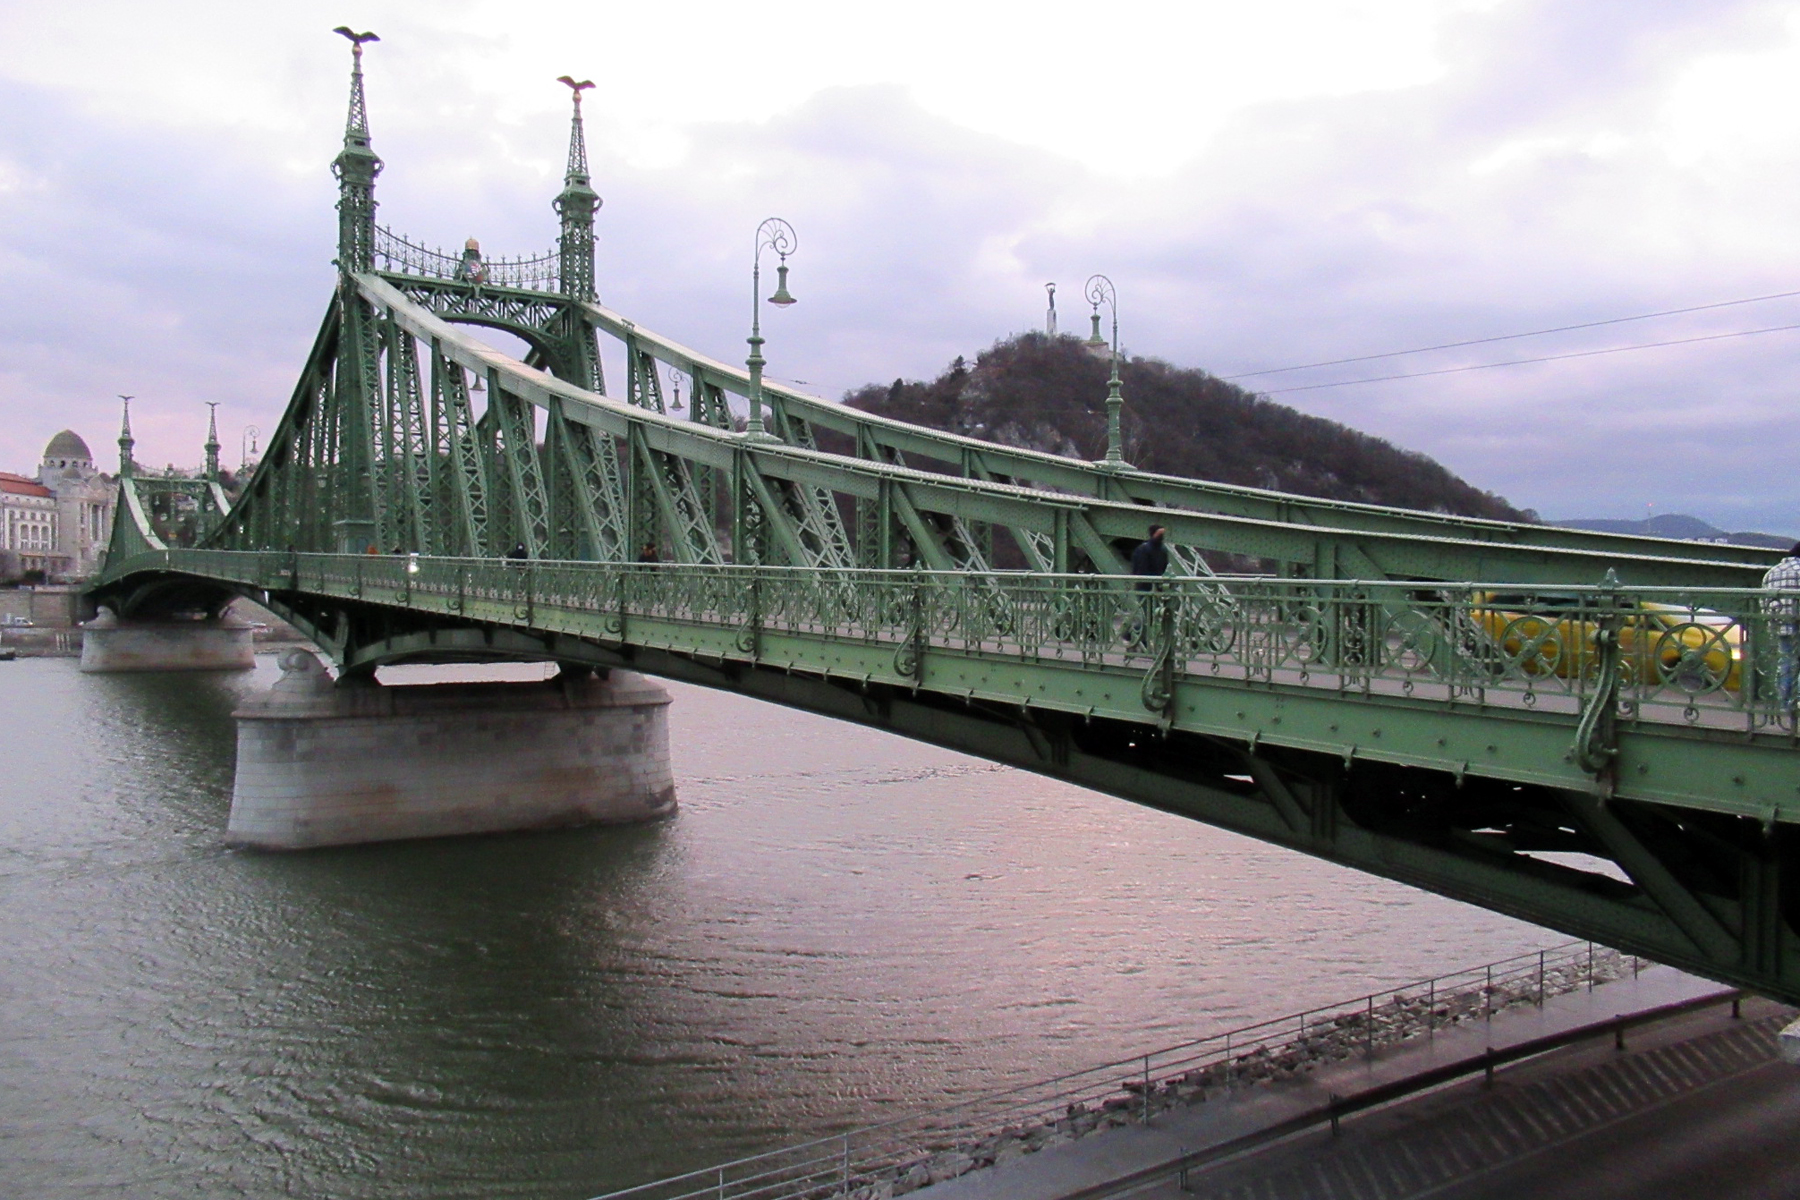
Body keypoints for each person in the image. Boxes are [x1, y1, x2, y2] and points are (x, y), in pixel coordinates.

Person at [1765, 542, 1800, 712]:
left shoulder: (1771, 572)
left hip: (1780, 625)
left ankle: (1784, 703)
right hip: (1798, 623)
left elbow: (1763, 600)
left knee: (1786, 662)